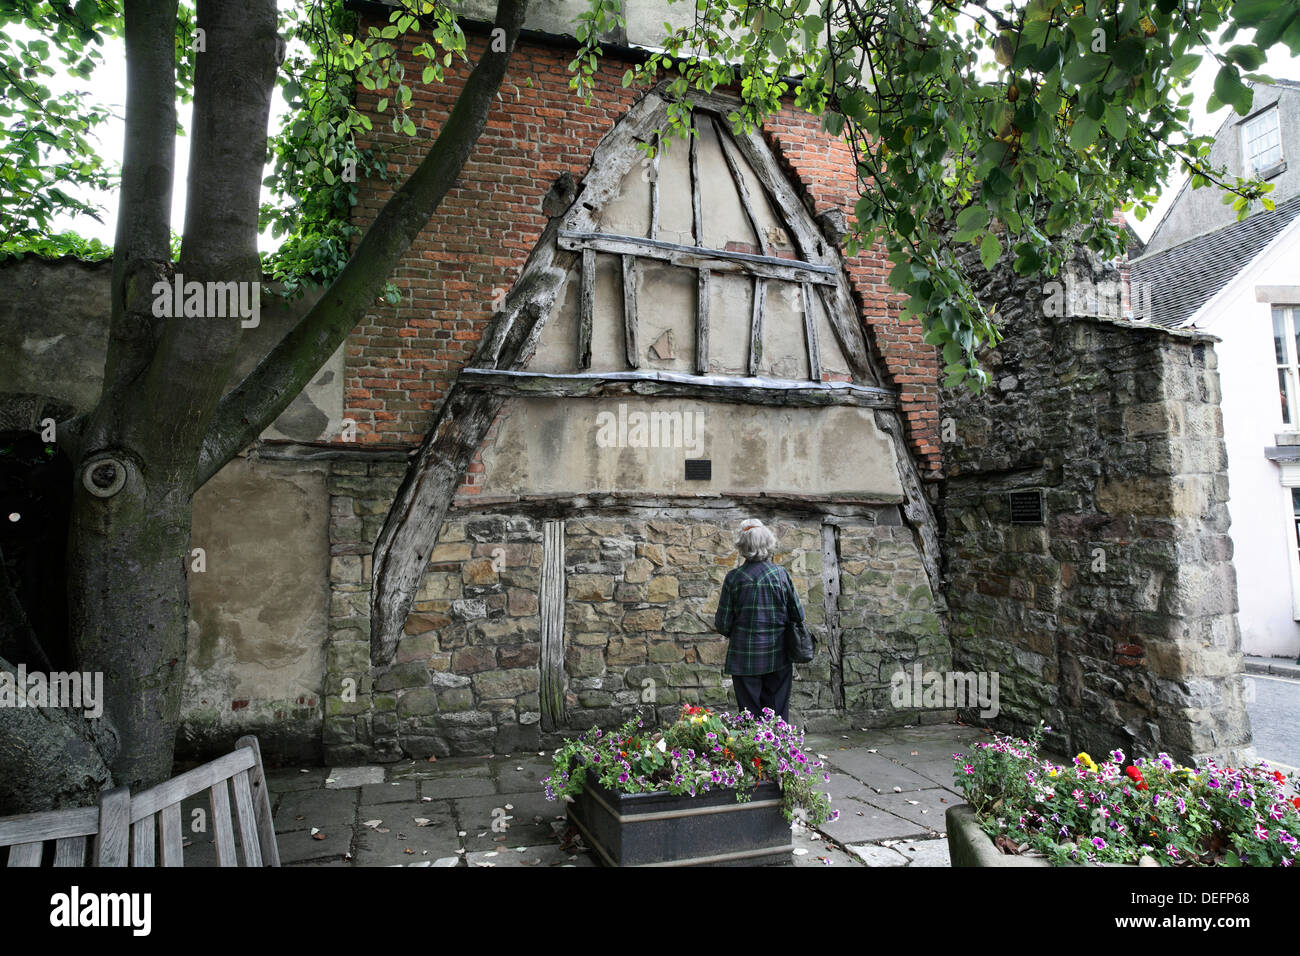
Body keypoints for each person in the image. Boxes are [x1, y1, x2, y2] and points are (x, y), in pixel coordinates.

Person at [712, 518, 804, 723]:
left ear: (742, 545)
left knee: (750, 716)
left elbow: (723, 624)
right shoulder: (781, 575)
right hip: (778, 655)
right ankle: (779, 752)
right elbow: (798, 615)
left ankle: (754, 754)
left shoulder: (733, 578)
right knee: (778, 714)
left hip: (744, 657)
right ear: (768, 543)